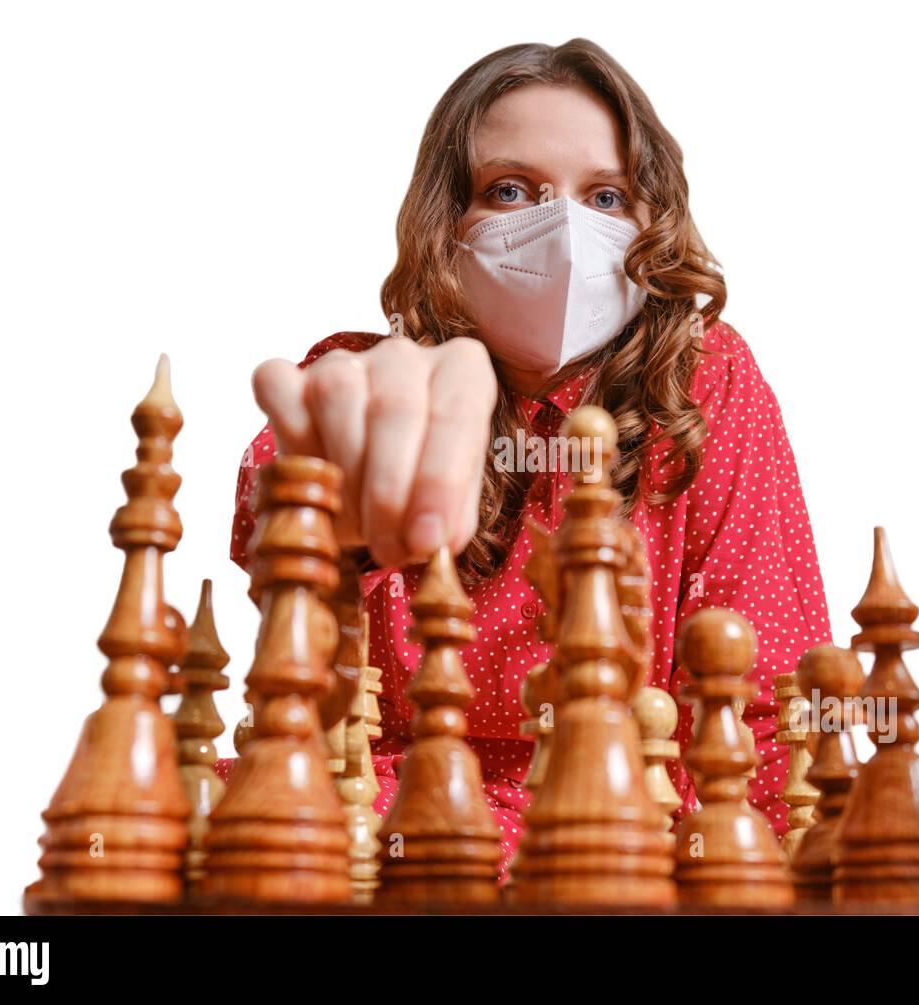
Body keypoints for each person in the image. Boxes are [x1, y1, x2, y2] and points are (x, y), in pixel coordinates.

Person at [226, 38, 831, 876]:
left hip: (620, 835)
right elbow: (278, 497)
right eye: (510, 190)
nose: (567, 232)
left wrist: (778, 868)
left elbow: (764, 700)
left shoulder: (706, 383)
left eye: (606, 196)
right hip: (388, 828)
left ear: (650, 224)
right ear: (448, 222)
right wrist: (332, 481)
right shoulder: (366, 374)